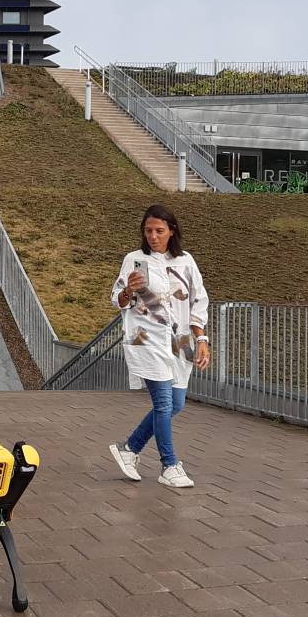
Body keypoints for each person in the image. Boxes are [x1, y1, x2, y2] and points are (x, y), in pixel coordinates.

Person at [107, 204, 211, 488]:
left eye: (159, 231)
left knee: (176, 403)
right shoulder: (134, 259)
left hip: (180, 340)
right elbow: (117, 299)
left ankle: (130, 449)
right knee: (163, 402)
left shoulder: (186, 261)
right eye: (148, 231)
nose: (153, 236)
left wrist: (201, 340)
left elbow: (198, 302)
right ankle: (169, 465)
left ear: (171, 231)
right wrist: (128, 289)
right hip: (146, 338)